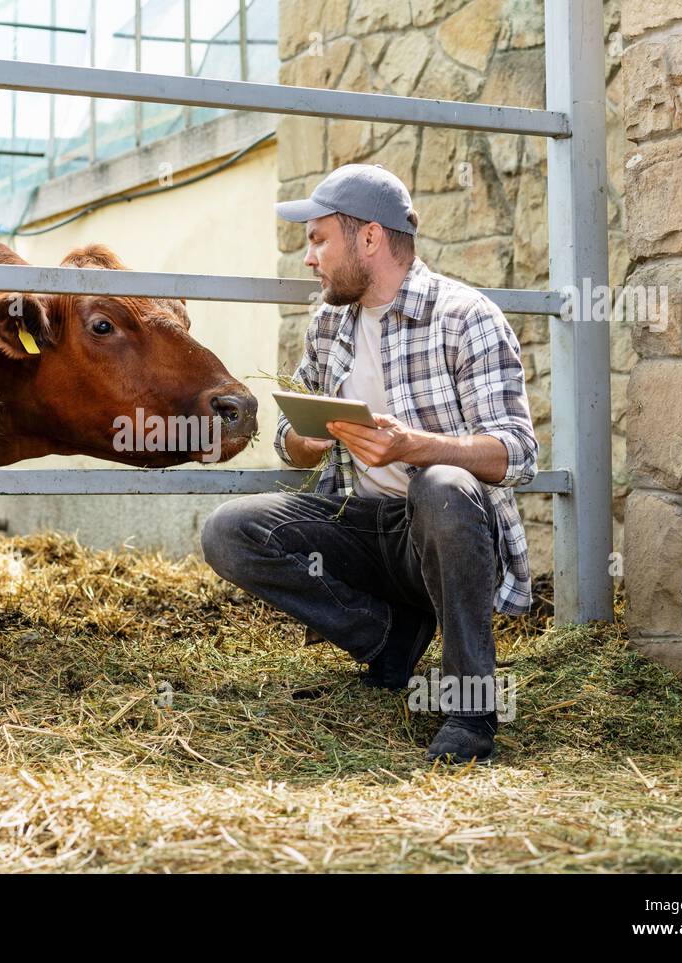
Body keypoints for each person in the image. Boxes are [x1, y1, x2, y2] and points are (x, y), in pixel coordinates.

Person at [201, 163, 539, 763]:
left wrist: (414, 446)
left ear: (369, 240)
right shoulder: (330, 320)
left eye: (318, 239)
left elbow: (516, 453)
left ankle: (471, 713)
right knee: (228, 530)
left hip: (438, 533)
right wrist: (306, 441)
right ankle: (389, 639)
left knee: (441, 485)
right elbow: (290, 435)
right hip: (362, 525)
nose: (310, 259)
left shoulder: (467, 318)